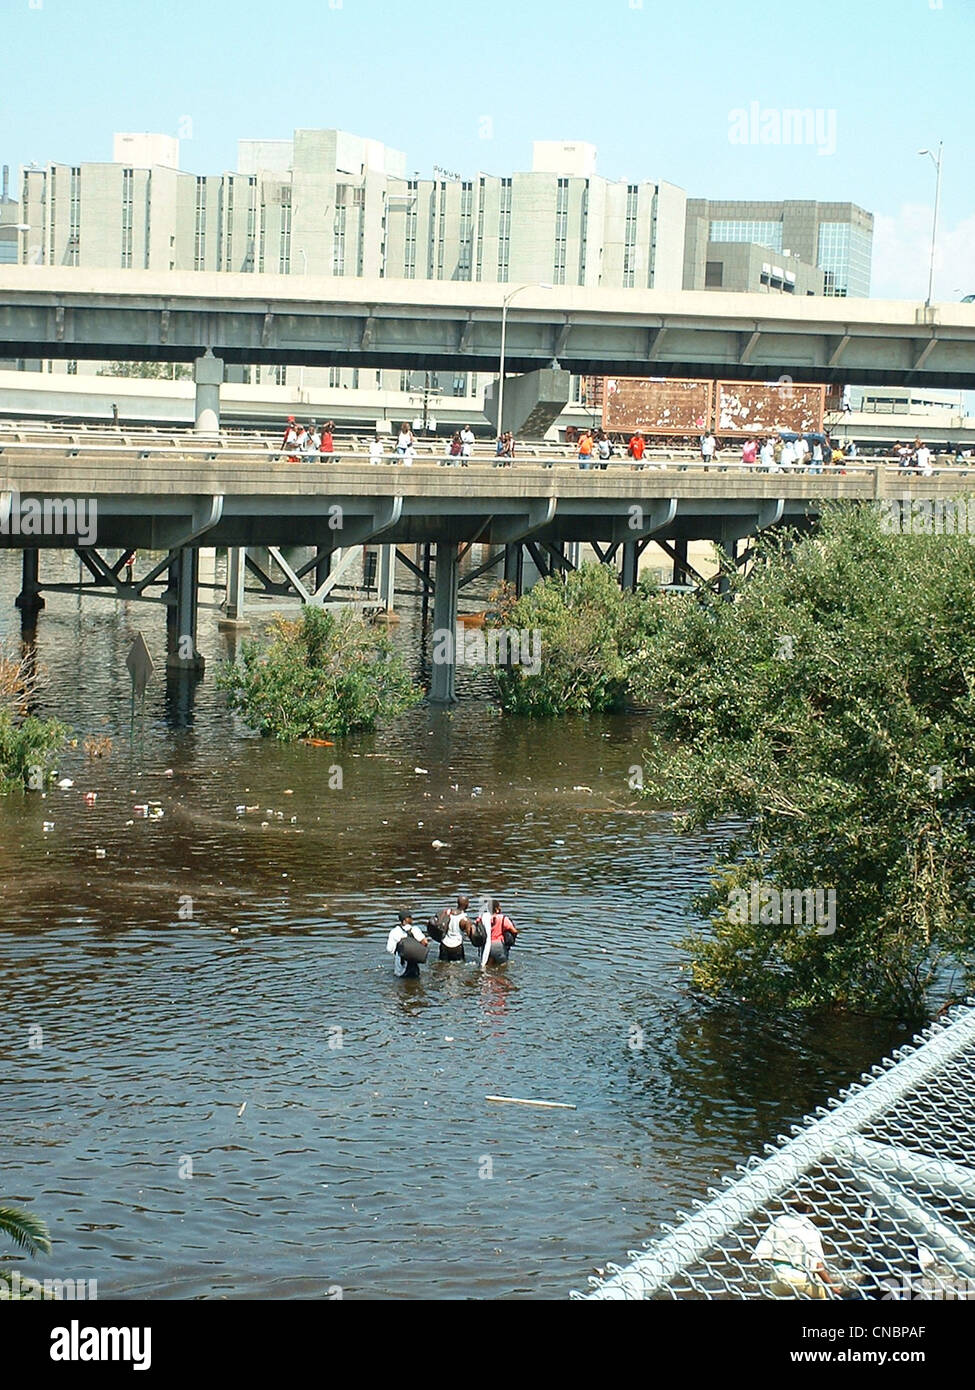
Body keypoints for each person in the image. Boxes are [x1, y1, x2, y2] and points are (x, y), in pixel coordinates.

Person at [754, 1203, 842, 1299]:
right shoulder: (810, 1228)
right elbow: (817, 1264)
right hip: (801, 1279)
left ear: (789, 1207)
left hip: (778, 1278)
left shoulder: (779, 1221)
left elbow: (765, 1251)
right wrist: (832, 1286)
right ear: (808, 1209)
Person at [386, 911, 429, 979]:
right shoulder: (415, 930)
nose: (412, 919)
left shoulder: (394, 931)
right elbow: (425, 942)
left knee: (401, 982)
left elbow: (389, 949)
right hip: (414, 962)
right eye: (410, 917)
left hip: (400, 963)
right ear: (406, 919)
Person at [429, 895, 473, 963]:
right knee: (458, 968)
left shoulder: (447, 912)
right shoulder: (465, 920)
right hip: (457, 946)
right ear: (467, 905)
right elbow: (470, 935)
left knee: (442, 964)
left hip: (444, 944)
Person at [480, 899, 518, 967]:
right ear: (497, 908)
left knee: (488, 967)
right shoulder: (503, 918)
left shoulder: (483, 918)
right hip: (499, 946)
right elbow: (514, 931)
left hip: (486, 946)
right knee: (501, 967)